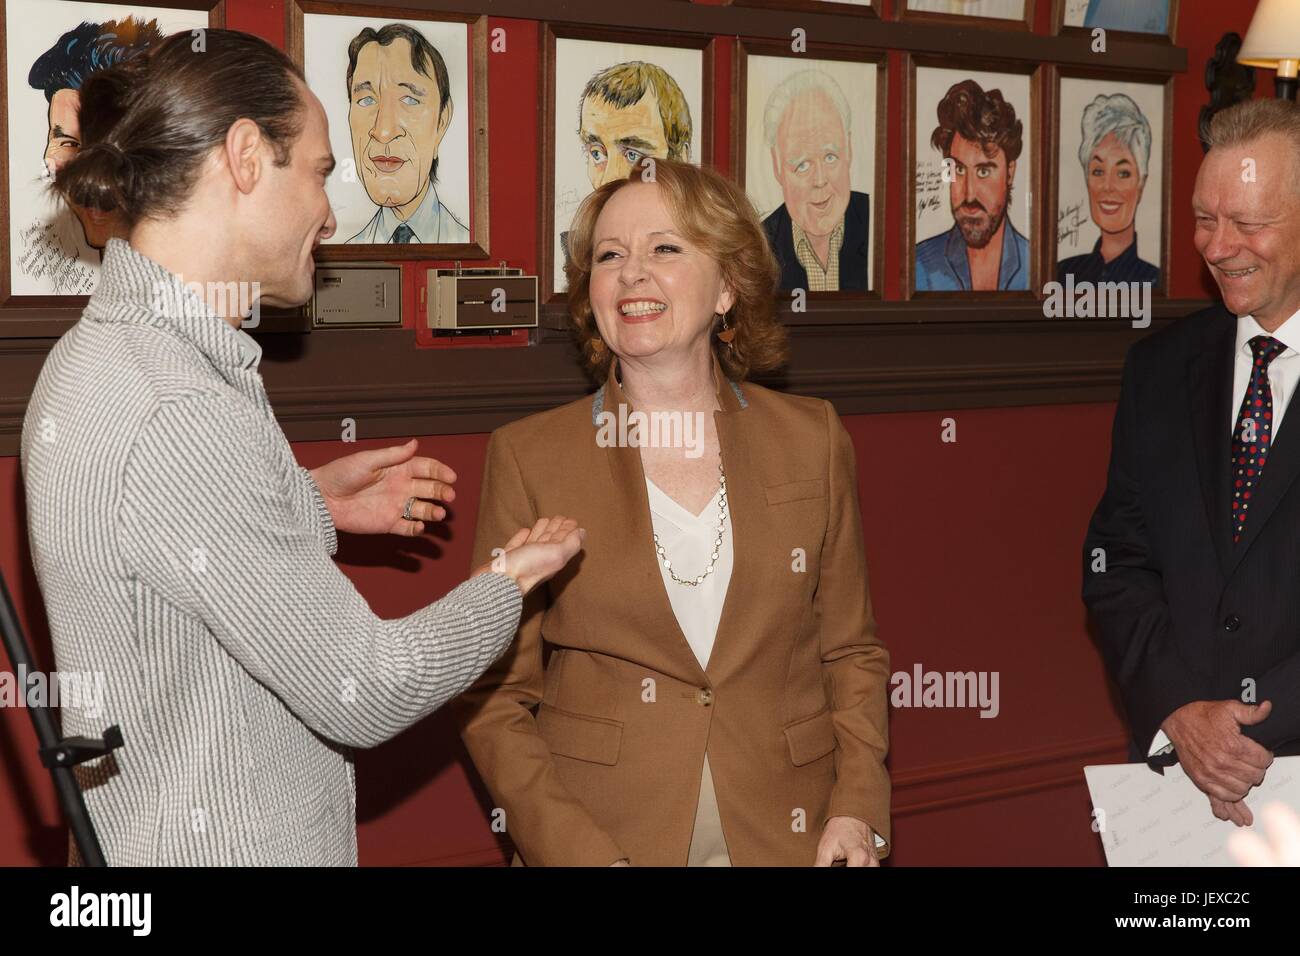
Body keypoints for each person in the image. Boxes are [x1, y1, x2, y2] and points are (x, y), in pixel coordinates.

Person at [20, 28, 582, 866]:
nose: (329, 208)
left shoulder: (101, 354)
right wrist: (511, 581)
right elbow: (369, 687)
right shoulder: (179, 409)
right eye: (319, 171)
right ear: (246, 156)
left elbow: (163, 566)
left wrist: (302, 502)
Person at [453, 157, 891, 866]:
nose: (632, 273)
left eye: (664, 248)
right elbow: (494, 700)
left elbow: (851, 651)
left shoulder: (812, 437)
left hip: (793, 837)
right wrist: (577, 855)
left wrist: (856, 809)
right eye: (609, 255)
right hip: (605, 840)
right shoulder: (530, 456)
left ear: (728, 287)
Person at [1082, 98, 1300, 830]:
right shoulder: (1159, 369)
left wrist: (1243, 735)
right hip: (1177, 788)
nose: (1217, 245)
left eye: (1248, 223)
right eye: (1206, 219)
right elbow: (1117, 561)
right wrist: (1179, 710)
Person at [344, 23, 468, 245]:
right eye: (366, 100)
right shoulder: (347, 251)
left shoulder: (464, 241)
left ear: (441, 121)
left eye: (410, 100)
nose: (383, 131)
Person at [559, 60, 692, 265]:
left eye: (633, 155)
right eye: (597, 154)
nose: (611, 175)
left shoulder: (703, 251)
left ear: (681, 160)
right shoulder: (576, 254)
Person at [760, 70, 870, 292]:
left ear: (849, 149)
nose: (820, 180)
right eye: (802, 165)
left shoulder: (878, 222)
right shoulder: (759, 243)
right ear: (777, 166)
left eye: (830, 157)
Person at [915, 79, 1029, 291]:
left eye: (984, 171)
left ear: (1010, 173)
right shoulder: (919, 265)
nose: (968, 195)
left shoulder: (1036, 264)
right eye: (958, 170)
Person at [1057, 92, 1159, 286]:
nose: (1107, 186)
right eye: (1097, 171)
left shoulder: (1154, 280)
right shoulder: (1062, 273)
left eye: (1123, 173)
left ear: (1142, 184)